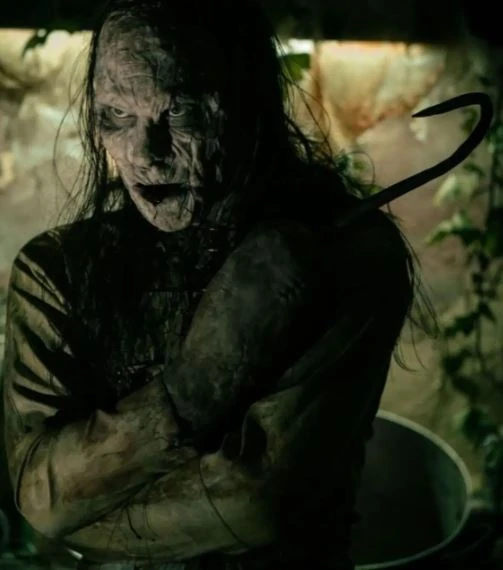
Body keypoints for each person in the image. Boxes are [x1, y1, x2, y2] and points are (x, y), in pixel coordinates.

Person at [1, 0, 421, 568]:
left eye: (180, 112)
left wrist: (84, 517)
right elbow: (41, 495)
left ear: (247, 105)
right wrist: (194, 383)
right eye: (116, 115)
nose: (144, 154)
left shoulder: (344, 256)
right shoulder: (55, 273)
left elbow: (255, 500)